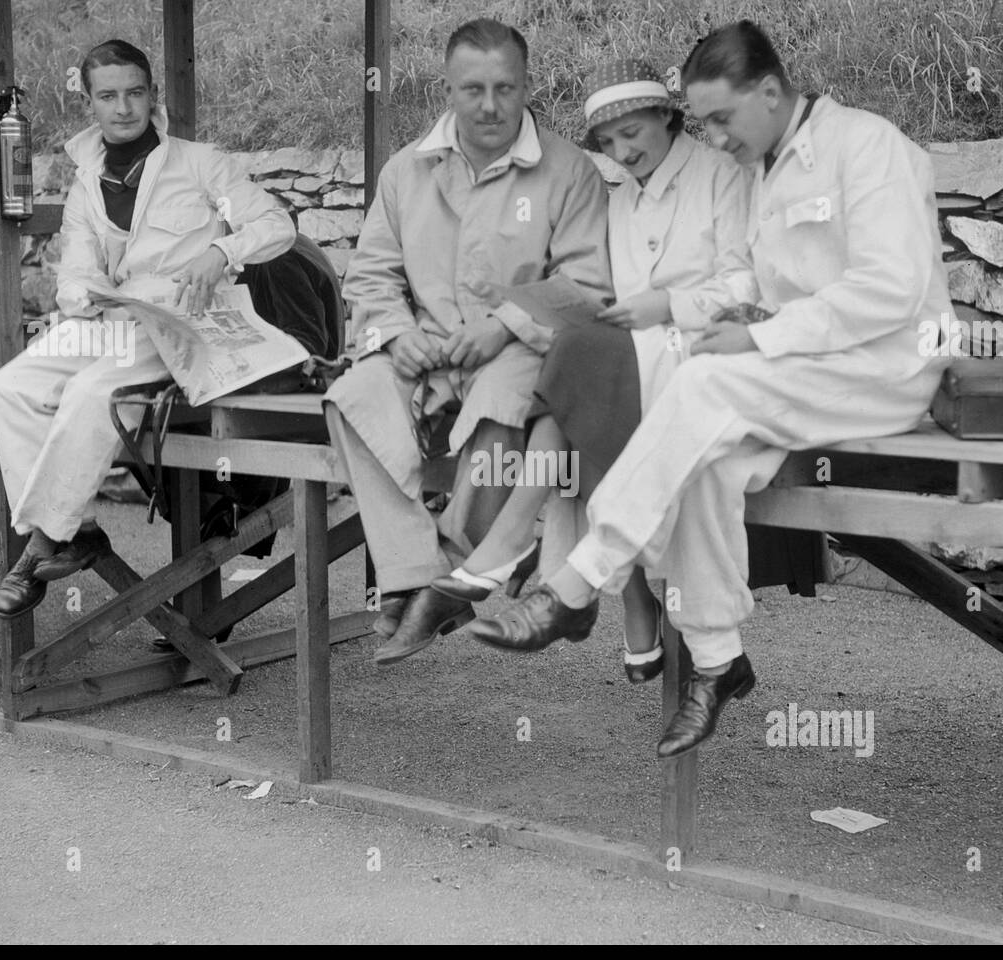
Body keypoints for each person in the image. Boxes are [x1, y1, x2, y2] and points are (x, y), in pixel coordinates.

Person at [471, 20, 955, 759]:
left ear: (769, 90)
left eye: (723, 119)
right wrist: (714, 318)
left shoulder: (868, 146)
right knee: (704, 455)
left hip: (884, 368)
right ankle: (719, 659)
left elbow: (890, 290)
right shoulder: (763, 167)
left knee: (699, 384)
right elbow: (756, 283)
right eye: (705, 124)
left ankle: (575, 585)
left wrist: (758, 337)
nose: (716, 139)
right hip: (803, 366)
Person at [432, 58, 823, 684]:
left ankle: (523, 556)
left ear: (668, 119)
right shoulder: (619, 198)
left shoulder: (723, 174)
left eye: (632, 134)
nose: (622, 150)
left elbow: (750, 278)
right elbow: (610, 289)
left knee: (578, 377)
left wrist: (667, 307)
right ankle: (603, 598)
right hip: (637, 358)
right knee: (577, 373)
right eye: (609, 143)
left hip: (711, 349)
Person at [323, 18, 611, 666]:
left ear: (528, 84)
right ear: (447, 88)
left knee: (504, 407)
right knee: (353, 396)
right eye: (472, 89)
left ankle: (453, 575)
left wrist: (505, 323)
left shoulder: (569, 172)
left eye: (505, 88)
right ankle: (410, 573)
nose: (489, 105)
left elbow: (591, 285)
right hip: (426, 347)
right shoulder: (406, 171)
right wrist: (393, 335)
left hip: (520, 349)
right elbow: (370, 274)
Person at [0, 39, 297, 618]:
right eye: (108, 96)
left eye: (134, 92)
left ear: (152, 94)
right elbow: (75, 272)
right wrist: (83, 295)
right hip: (117, 322)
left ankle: (42, 545)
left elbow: (275, 224)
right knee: (7, 387)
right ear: (91, 102)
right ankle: (76, 529)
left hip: (187, 324)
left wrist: (222, 253)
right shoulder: (85, 183)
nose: (123, 107)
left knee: (90, 393)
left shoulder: (200, 162)